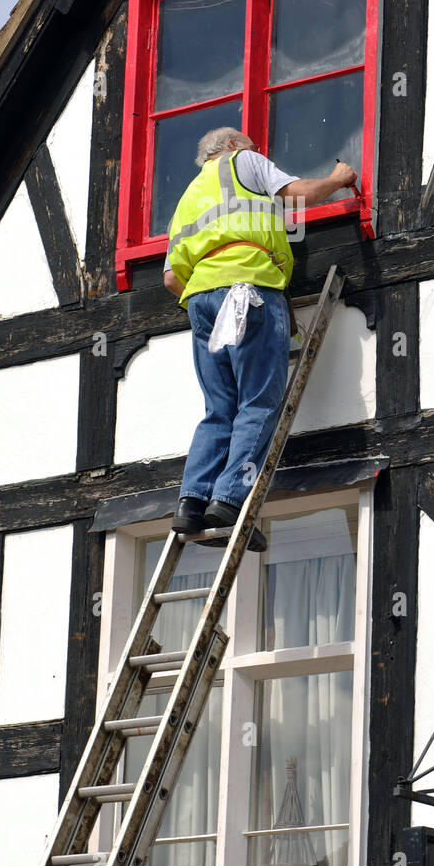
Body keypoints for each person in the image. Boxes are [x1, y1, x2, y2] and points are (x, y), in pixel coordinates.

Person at [163, 126, 357, 551]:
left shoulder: (188, 197)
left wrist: (211, 298)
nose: (258, 152)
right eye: (252, 145)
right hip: (248, 289)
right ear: (232, 145)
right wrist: (338, 181)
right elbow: (296, 194)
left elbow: (171, 278)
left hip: (200, 302)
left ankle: (191, 502)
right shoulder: (241, 162)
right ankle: (229, 502)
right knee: (259, 403)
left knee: (219, 410)